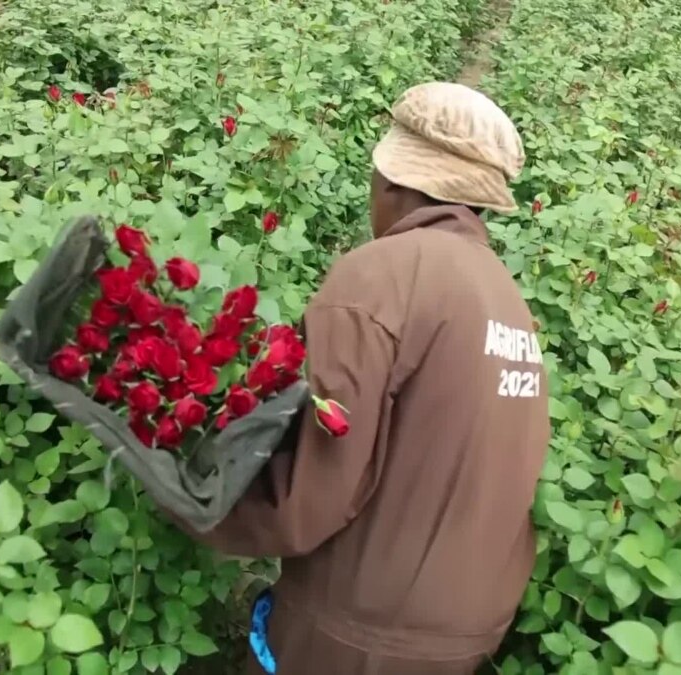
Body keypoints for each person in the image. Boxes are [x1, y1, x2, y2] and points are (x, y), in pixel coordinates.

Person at [177, 82, 551, 675]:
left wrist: (187, 489)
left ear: (394, 183)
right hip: (471, 631)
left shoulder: (379, 277)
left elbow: (315, 487)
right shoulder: (508, 302)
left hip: (362, 635)